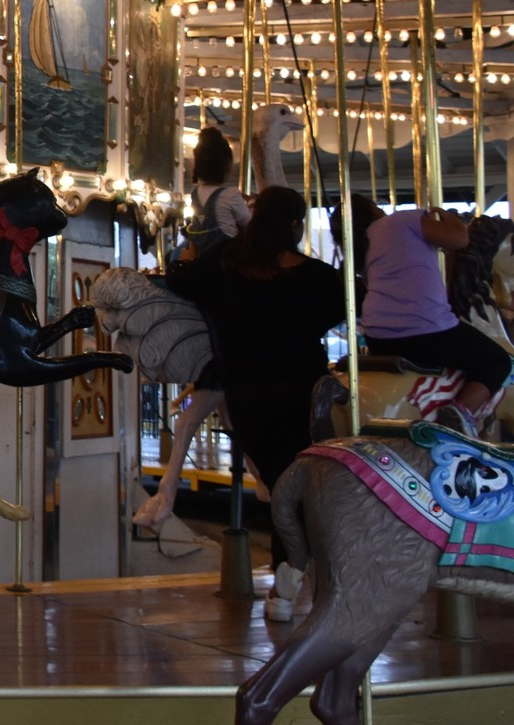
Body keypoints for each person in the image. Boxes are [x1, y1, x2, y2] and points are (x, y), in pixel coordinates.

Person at [168, 185, 344, 622]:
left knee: (280, 485)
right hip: (301, 394)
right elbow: (340, 311)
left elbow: (180, 279)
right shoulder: (319, 277)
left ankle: (291, 578)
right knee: (298, 483)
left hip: (247, 395)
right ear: (294, 225)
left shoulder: (227, 263)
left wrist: (186, 260)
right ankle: (295, 578)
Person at [134, 125, 252, 529]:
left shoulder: (192, 196)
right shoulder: (232, 196)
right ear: (227, 164)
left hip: (195, 276)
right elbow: (252, 233)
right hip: (225, 276)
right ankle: (229, 359)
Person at [349, 195, 511, 434]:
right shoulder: (397, 222)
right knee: (498, 361)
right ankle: (460, 412)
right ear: (371, 209)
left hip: (377, 335)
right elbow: (460, 239)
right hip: (422, 330)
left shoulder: (362, 244)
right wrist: (450, 219)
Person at [174, 126, 250, 265]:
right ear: (227, 166)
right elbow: (249, 226)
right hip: (225, 263)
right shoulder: (230, 195)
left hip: (200, 262)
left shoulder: (195, 194)